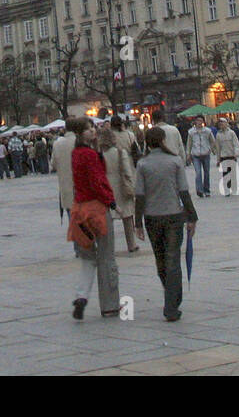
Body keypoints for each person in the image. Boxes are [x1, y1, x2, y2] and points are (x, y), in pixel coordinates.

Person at [133, 126, 198, 321]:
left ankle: (170, 296)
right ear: (163, 140)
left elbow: (140, 195)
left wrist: (138, 223)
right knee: (173, 259)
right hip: (173, 215)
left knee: (160, 259)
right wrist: (192, 216)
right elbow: (184, 191)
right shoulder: (174, 161)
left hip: (152, 217)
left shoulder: (142, 164)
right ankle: (172, 302)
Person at [67, 118, 119, 319]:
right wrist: (112, 202)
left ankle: (81, 296)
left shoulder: (76, 154)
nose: (92, 131)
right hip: (96, 209)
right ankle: (110, 305)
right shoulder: (90, 155)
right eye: (88, 129)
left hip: (79, 210)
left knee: (87, 258)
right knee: (106, 257)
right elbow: (98, 182)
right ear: (80, 134)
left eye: (92, 128)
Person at [99, 124, 139, 253]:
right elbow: (127, 171)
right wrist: (132, 185)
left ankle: (107, 246)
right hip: (122, 186)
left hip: (106, 187)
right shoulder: (120, 153)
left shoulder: (99, 155)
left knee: (108, 217)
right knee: (127, 217)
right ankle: (131, 244)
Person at [186, 118, 214, 198]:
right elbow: (189, 144)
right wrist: (188, 154)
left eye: (201, 121)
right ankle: (199, 190)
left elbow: (212, 141)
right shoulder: (191, 132)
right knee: (198, 173)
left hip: (205, 154)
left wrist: (210, 149)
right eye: (198, 121)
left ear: (203, 122)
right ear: (195, 122)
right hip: (195, 155)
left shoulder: (207, 131)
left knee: (206, 173)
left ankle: (206, 190)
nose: (199, 122)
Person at [213, 118, 239, 196]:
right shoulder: (218, 135)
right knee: (225, 174)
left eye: (222, 123)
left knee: (233, 173)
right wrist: (218, 160)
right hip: (224, 156)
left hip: (232, 156)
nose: (221, 125)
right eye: (219, 124)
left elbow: (236, 144)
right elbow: (218, 148)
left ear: (226, 123)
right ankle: (227, 190)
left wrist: (236, 153)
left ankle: (234, 188)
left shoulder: (231, 133)